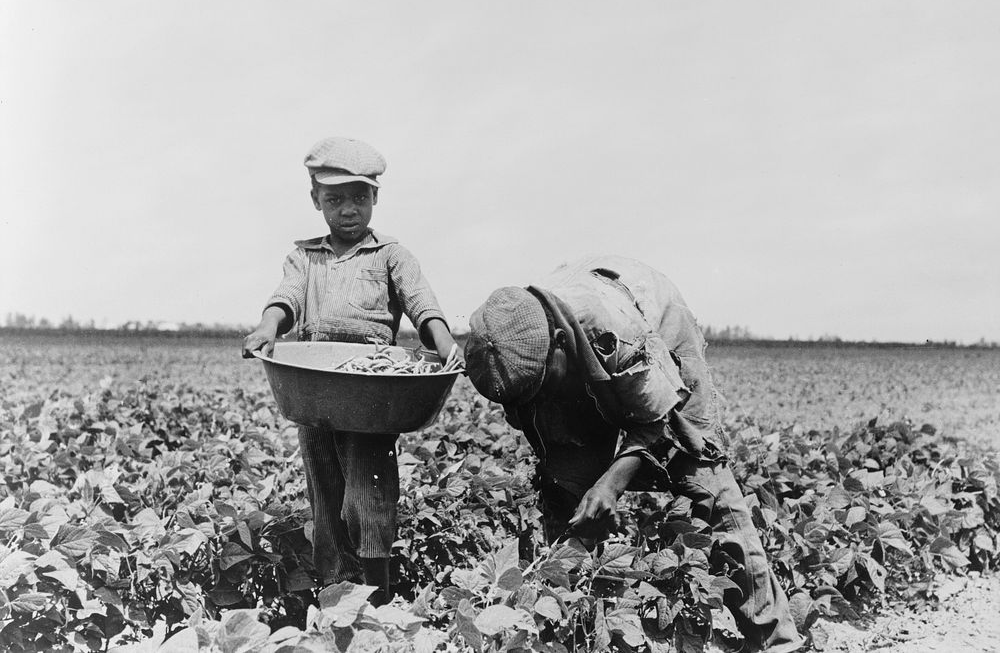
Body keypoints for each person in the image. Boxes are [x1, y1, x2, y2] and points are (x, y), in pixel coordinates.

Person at [463, 256, 803, 652]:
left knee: (703, 478)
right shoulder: (504, 354)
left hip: (650, 321)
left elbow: (657, 416)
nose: (535, 400)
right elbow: (548, 436)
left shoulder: (617, 335)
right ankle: (571, 619)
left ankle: (776, 637)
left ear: (558, 344)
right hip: (572, 352)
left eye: (540, 385)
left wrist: (611, 484)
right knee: (565, 490)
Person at [242, 136, 459, 604]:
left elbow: (422, 305)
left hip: (371, 395)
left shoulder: (391, 256)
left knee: (367, 500)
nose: (348, 209)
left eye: (359, 197)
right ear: (315, 198)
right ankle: (334, 599)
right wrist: (267, 327)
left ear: (375, 197)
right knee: (325, 498)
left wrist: (444, 342)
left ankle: (377, 602)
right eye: (335, 198)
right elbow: (288, 296)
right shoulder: (306, 257)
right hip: (317, 391)